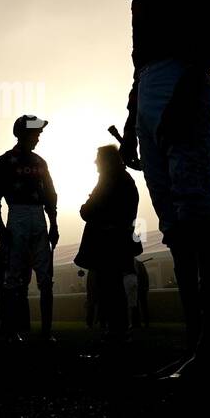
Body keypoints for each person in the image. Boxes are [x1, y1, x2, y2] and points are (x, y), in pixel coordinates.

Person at [99, 0, 210, 373]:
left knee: (196, 213)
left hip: (185, 83)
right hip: (151, 93)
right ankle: (196, 343)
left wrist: (183, 92)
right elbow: (139, 62)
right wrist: (133, 121)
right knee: (176, 228)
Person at [0, 115, 60, 341]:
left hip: (38, 216)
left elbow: (51, 195)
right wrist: (0, 227)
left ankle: (46, 332)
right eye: (36, 133)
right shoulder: (5, 161)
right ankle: (13, 331)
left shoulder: (40, 162)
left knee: (45, 277)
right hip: (17, 215)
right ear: (24, 134)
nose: (38, 137)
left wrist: (53, 223)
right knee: (14, 277)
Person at [76, 145, 140, 343]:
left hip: (107, 243)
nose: (95, 162)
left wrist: (87, 206)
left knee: (109, 287)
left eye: (98, 158)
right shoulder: (125, 180)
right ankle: (119, 329)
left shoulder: (108, 181)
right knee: (114, 287)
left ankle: (116, 331)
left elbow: (87, 211)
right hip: (119, 240)